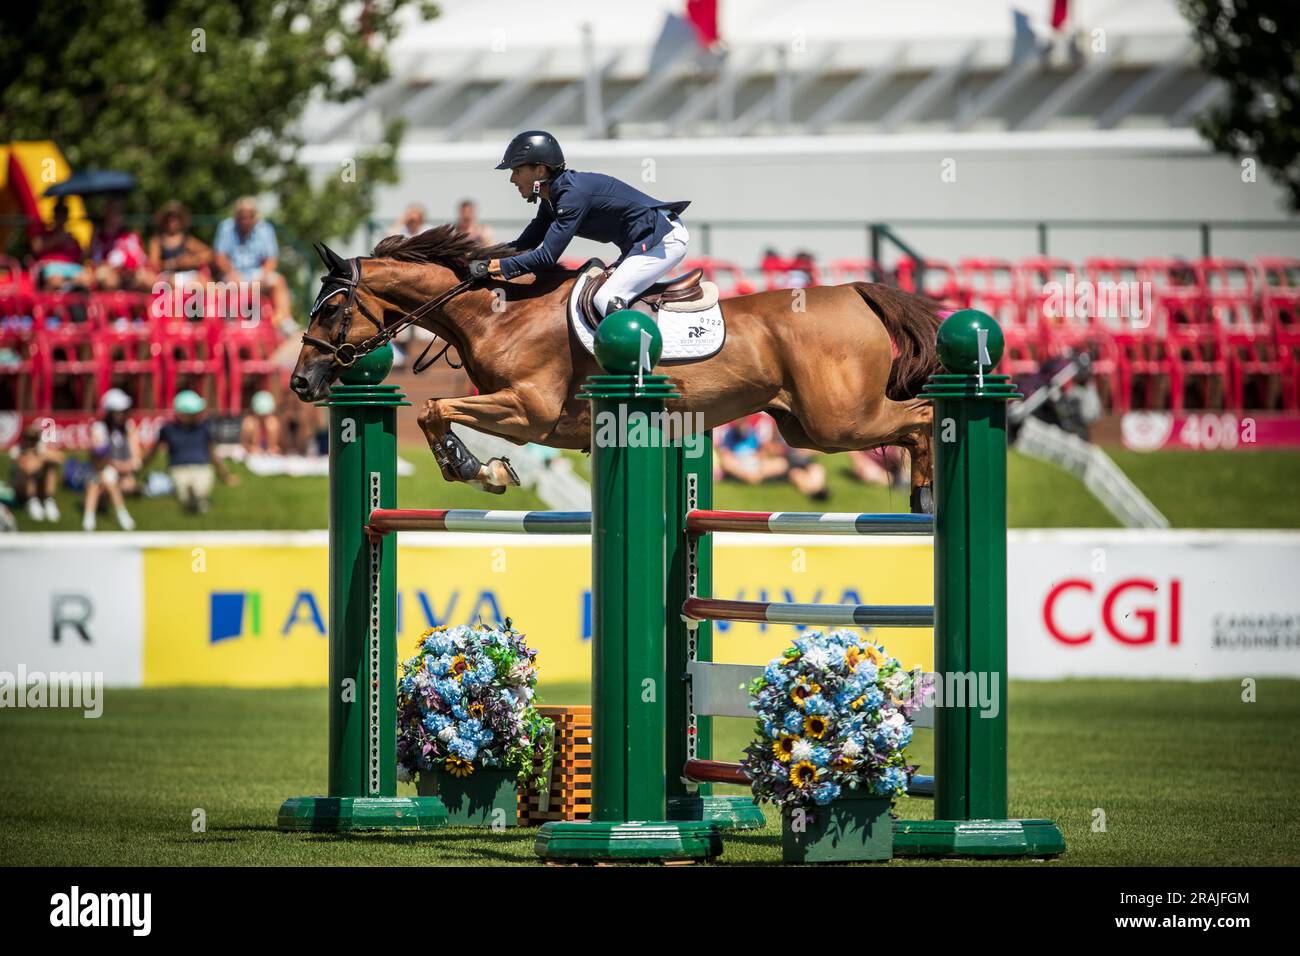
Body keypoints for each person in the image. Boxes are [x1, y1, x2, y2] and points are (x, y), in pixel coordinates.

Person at [470, 130, 691, 317]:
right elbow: (525, 245)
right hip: (642, 243)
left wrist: (492, 267)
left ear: (540, 170)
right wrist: (480, 259)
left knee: (606, 298)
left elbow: (547, 257)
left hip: (663, 240)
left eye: (517, 170)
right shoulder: (552, 199)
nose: (512, 179)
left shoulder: (571, 196)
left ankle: (643, 362)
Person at [142, 390, 239, 514]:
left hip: (202, 468)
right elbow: (152, 452)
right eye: (194, 412)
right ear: (182, 414)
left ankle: (197, 500)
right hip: (178, 469)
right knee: (183, 489)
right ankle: (197, 502)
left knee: (201, 486)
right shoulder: (168, 429)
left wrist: (225, 475)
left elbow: (212, 454)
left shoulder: (204, 428)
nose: (198, 414)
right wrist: (139, 468)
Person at [214, 197, 290, 321]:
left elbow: (272, 259)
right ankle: (230, 322)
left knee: (278, 281)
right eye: (242, 217)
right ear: (236, 216)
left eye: (248, 216)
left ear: (254, 217)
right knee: (228, 286)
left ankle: (285, 321)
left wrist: (262, 275)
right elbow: (220, 257)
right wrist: (232, 273)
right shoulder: (226, 227)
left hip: (257, 274)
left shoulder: (265, 229)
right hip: (232, 274)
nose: (245, 220)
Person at [83, 388, 142, 531]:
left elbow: (136, 461)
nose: (122, 414)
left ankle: (89, 517)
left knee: (102, 480)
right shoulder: (98, 428)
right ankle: (121, 514)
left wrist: (120, 467)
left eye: (123, 410)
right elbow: (97, 460)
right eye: (118, 411)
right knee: (106, 477)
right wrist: (117, 465)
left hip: (122, 476)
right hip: (102, 472)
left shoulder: (129, 427)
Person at [89, 198, 151, 291]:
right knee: (108, 279)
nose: (118, 217)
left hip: (131, 275)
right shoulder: (99, 239)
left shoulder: (131, 237)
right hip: (110, 275)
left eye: (120, 213)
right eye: (114, 213)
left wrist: (128, 268)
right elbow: (95, 263)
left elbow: (141, 261)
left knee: (148, 279)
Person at [9, 421, 63, 522]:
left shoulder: (40, 449)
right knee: (30, 472)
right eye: (29, 439)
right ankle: (32, 501)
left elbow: (60, 458)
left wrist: (42, 456)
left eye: (34, 439)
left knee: (50, 467)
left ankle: (48, 500)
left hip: (40, 486)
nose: (31, 442)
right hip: (21, 490)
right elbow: (28, 468)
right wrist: (40, 458)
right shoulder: (16, 451)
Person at [148, 201, 212, 285]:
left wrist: (192, 260)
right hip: (167, 277)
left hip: (188, 275)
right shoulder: (157, 240)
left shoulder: (187, 240)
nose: (172, 222)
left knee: (205, 282)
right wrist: (176, 263)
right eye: (169, 219)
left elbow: (208, 254)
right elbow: (154, 264)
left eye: (175, 219)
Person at [30, 200, 86, 291]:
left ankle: (68, 289)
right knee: (55, 281)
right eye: (59, 214)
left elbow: (81, 258)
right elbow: (36, 248)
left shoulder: (72, 238)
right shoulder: (45, 234)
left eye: (64, 214)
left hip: (71, 267)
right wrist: (58, 238)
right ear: (55, 215)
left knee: (86, 279)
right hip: (51, 266)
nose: (62, 218)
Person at [240, 389, 283, 456]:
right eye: (260, 415)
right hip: (253, 455)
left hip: (267, 456)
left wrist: (272, 449)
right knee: (250, 423)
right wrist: (251, 448)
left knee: (272, 423)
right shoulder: (249, 423)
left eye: (265, 415)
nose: (263, 417)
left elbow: (277, 447)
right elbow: (243, 445)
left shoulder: (273, 423)